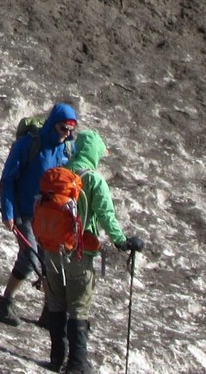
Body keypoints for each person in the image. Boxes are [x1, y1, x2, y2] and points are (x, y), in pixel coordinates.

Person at [34, 129, 145, 372]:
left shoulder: (59, 174)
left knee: (56, 303)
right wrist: (122, 241)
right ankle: (77, 363)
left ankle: (56, 358)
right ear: (94, 153)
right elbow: (106, 216)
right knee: (78, 306)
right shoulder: (94, 180)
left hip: (52, 250)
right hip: (79, 253)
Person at [0, 101, 79, 324]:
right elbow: (8, 179)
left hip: (50, 215)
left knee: (49, 260)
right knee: (30, 258)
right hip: (24, 212)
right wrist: (8, 212)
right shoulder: (28, 144)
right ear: (53, 124)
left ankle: (49, 312)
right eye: (63, 128)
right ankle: (5, 303)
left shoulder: (67, 149)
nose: (67, 134)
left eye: (71, 130)